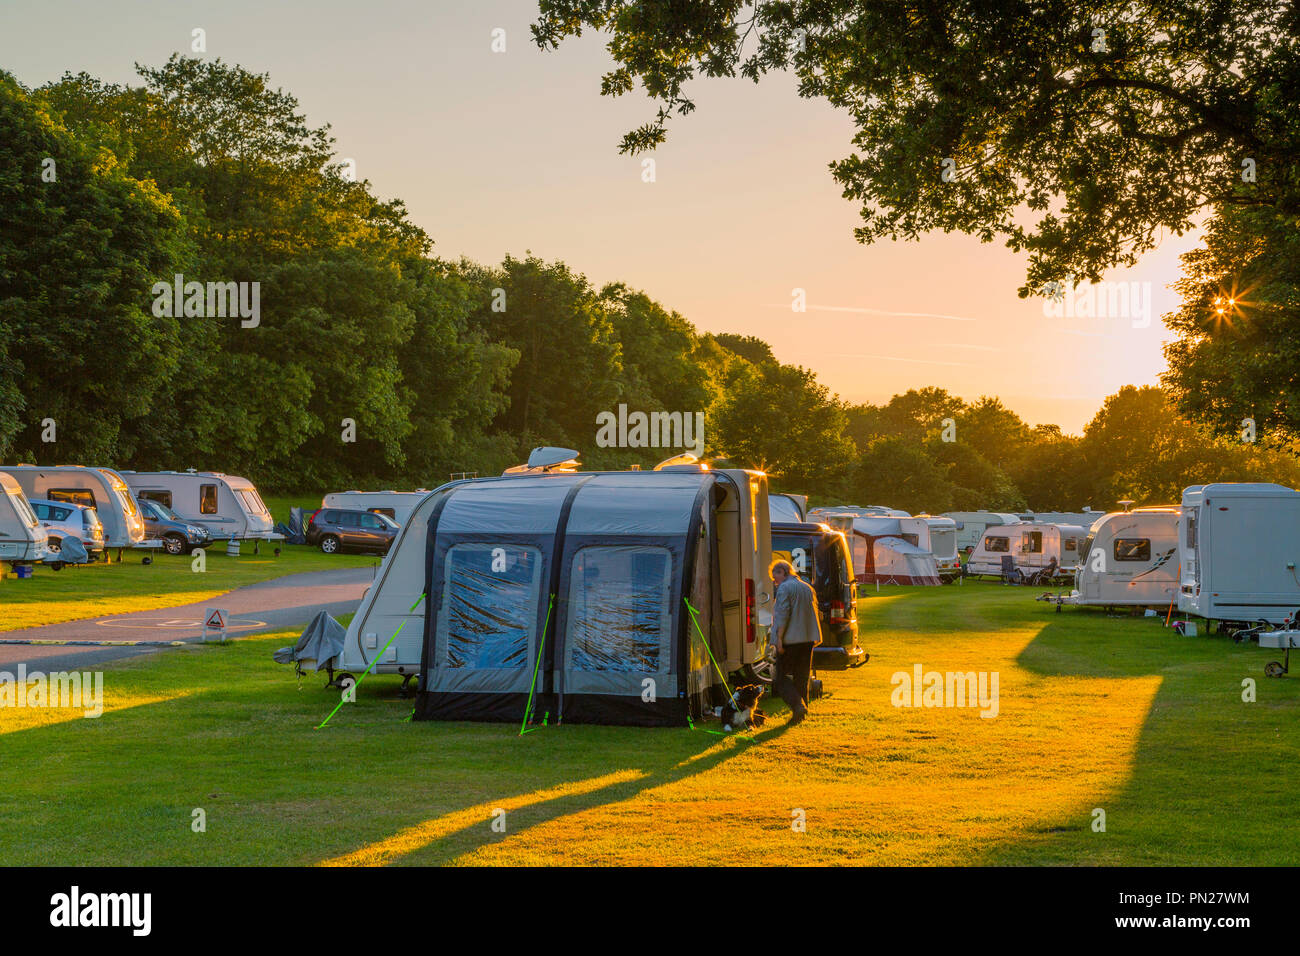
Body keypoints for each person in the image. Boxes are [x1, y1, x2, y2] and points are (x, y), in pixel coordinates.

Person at [769, 558, 822, 725]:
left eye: (775, 575)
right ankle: (801, 712)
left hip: (790, 640)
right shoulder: (807, 587)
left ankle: (798, 706)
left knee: (780, 678)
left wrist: (778, 639)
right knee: (802, 676)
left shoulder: (785, 588)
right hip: (807, 639)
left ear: (783, 572)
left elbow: (782, 614)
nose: (774, 580)